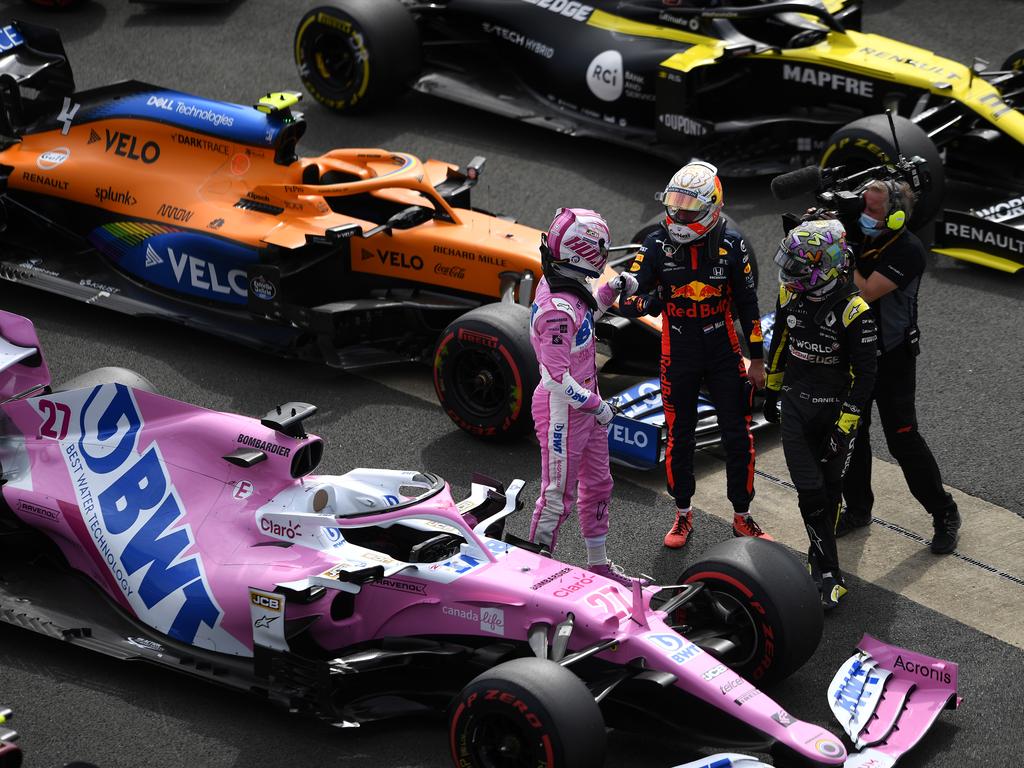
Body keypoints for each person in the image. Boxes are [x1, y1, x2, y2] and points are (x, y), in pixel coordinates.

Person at [620, 160, 769, 548]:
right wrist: (652, 299)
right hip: (679, 350)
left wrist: (757, 360)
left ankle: (742, 516)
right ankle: (682, 515)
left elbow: (750, 307)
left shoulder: (733, 244)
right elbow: (628, 302)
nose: (679, 213)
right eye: (676, 204)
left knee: (739, 435)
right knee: (680, 437)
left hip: (723, 349)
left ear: (712, 206)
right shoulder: (655, 243)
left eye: (689, 207)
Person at [837, 179, 962, 554]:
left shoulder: (908, 250)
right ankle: (858, 510)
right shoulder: (851, 233)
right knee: (851, 434)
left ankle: (945, 513)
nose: (863, 215)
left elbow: (864, 290)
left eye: (872, 211)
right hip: (854, 355)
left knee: (903, 440)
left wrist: (836, 253)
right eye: (861, 206)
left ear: (894, 218)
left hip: (893, 359)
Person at [763, 219, 877, 609]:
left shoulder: (854, 309)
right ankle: (830, 574)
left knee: (829, 494)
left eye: (798, 266)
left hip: (834, 412)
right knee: (810, 494)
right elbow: (779, 341)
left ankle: (819, 563)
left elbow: (866, 377)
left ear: (824, 266)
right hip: (796, 405)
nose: (789, 273)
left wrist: (846, 426)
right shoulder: (787, 293)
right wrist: (772, 390)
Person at [528, 207, 640, 587]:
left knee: (599, 485)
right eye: (600, 248)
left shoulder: (569, 282)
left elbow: (589, 316)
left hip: (586, 408)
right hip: (564, 410)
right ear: (581, 251)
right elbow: (557, 378)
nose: (604, 256)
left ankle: (598, 565)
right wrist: (598, 406)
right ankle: (532, 572)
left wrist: (612, 289)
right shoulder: (557, 311)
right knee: (557, 496)